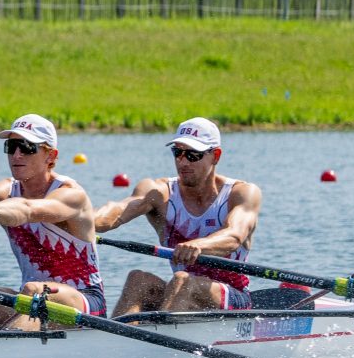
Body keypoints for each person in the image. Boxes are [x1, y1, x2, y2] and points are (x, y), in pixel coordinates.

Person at [0, 112, 106, 330]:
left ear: (50, 156)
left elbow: (28, 209)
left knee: (34, 291)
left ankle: (7, 347)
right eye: (11, 147)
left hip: (85, 302)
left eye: (27, 147)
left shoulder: (71, 195)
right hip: (31, 300)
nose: (17, 155)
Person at [93, 116, 265, 313]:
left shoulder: (241, 193)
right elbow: (115, 212)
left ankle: (159, 330)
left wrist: (199, 245)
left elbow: (234, 236)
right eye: (178, 152)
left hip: (234, 298)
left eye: (193, 155)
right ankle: (121, 334)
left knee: (183, 280)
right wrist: (79, 218)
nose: (183, 162)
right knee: (138, 279)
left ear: (216, 156)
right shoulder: (159, 192)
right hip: (180, 292)